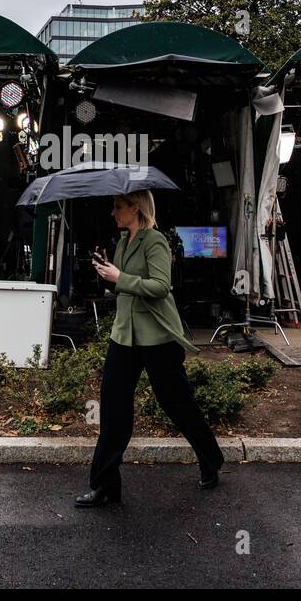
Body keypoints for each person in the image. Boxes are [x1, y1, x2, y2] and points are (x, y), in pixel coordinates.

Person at [76, 189, 225, 507]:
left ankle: (210, 458)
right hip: (124, 336)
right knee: (113, 409)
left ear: (136, 209)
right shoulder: (122, 242)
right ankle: (105, 485)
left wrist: (121, 277)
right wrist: (105, 271)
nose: (113, 213)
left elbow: (160, 286)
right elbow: (120, 285)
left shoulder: (155, 241)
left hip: (157, 337)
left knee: (177, 403)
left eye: (118, 207)